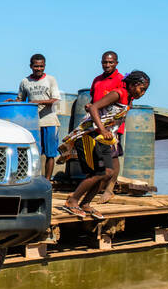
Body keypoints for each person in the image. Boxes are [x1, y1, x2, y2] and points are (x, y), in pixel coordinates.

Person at [62, 71, 150, 218]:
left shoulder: (129, 100)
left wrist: (111, 137)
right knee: (98, 173)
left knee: (108, 173)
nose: (143, 92)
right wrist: (102, 129)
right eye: (142, 88)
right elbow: (93, 108)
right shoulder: (118, 93)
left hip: (104, 139)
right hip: (90, 135)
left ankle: (86, 203)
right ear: (134, 85)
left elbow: (113, 119)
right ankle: (72, 200)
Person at [17, 53, 61, 178]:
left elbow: (55, 99)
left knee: (50, 154)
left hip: (50, 121)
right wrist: (13, 101)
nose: (39, 69)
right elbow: (21, 100)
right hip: (33, 124)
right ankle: (34, 178)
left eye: (41, 66)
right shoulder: (25, 82)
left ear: (44, 66)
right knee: (34, 153)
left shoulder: (51, 80)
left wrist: (38, 102)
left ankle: (47, 181)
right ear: (31, 66)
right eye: (36, 66)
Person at [90, 51, 126, 202]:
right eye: (105, 62)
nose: (107, 65)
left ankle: (110, 188)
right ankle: (100, 186)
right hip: (98, 122)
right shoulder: (97, 80)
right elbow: (94, 100)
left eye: (111, 62)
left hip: (113, 124)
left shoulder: (121, 79)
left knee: (113, 155)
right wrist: (90, 106)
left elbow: (125, 101)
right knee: (99, 156)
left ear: (116, 63)